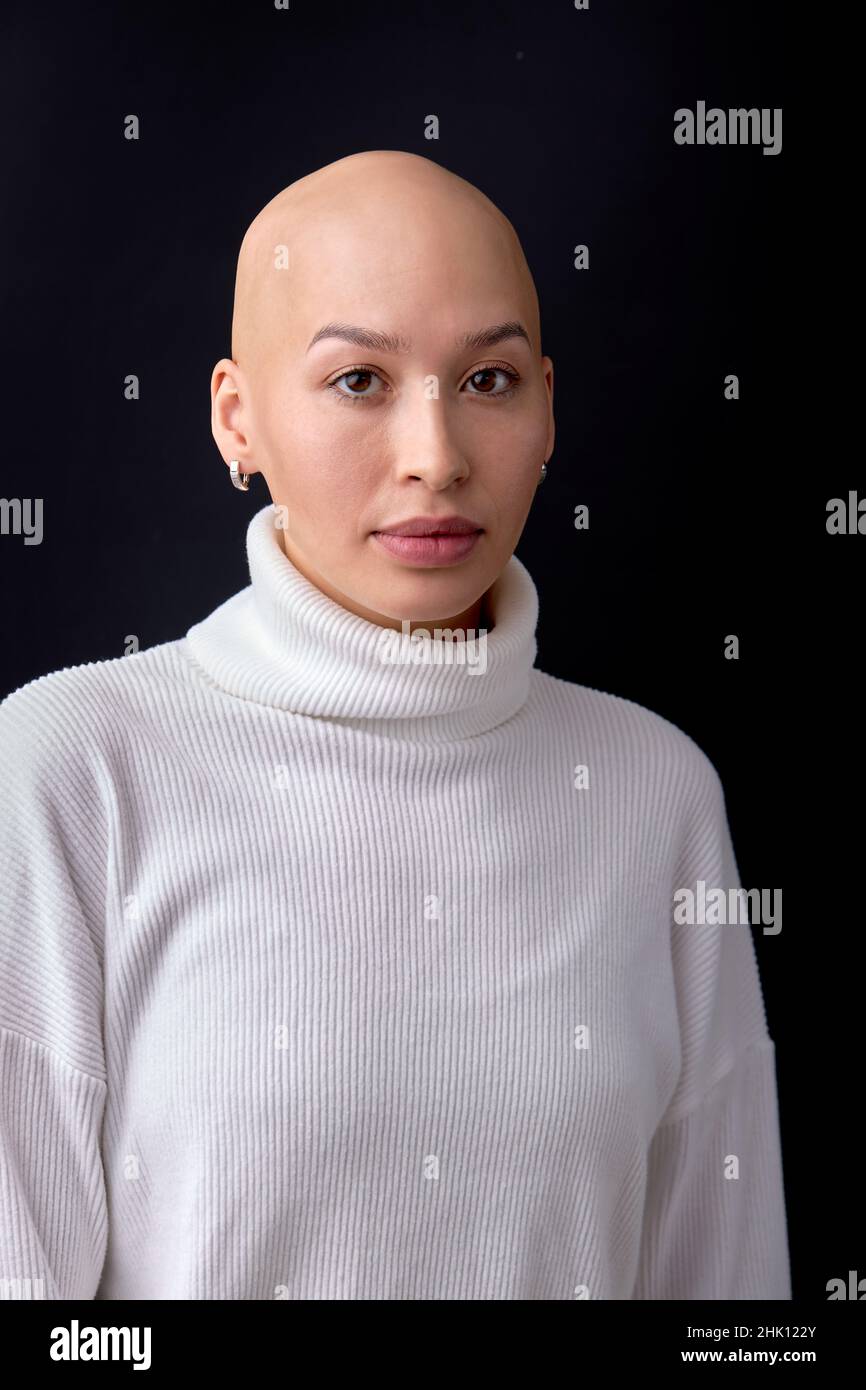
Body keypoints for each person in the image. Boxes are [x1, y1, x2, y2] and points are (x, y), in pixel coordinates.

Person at [0, 150, 790, 1300]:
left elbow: (726, 1307)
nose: (435, 458)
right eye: (359, 381)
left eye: (487, 381)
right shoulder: (67, 770)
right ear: (238, 418)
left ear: (547, 408)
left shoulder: (654, 789)